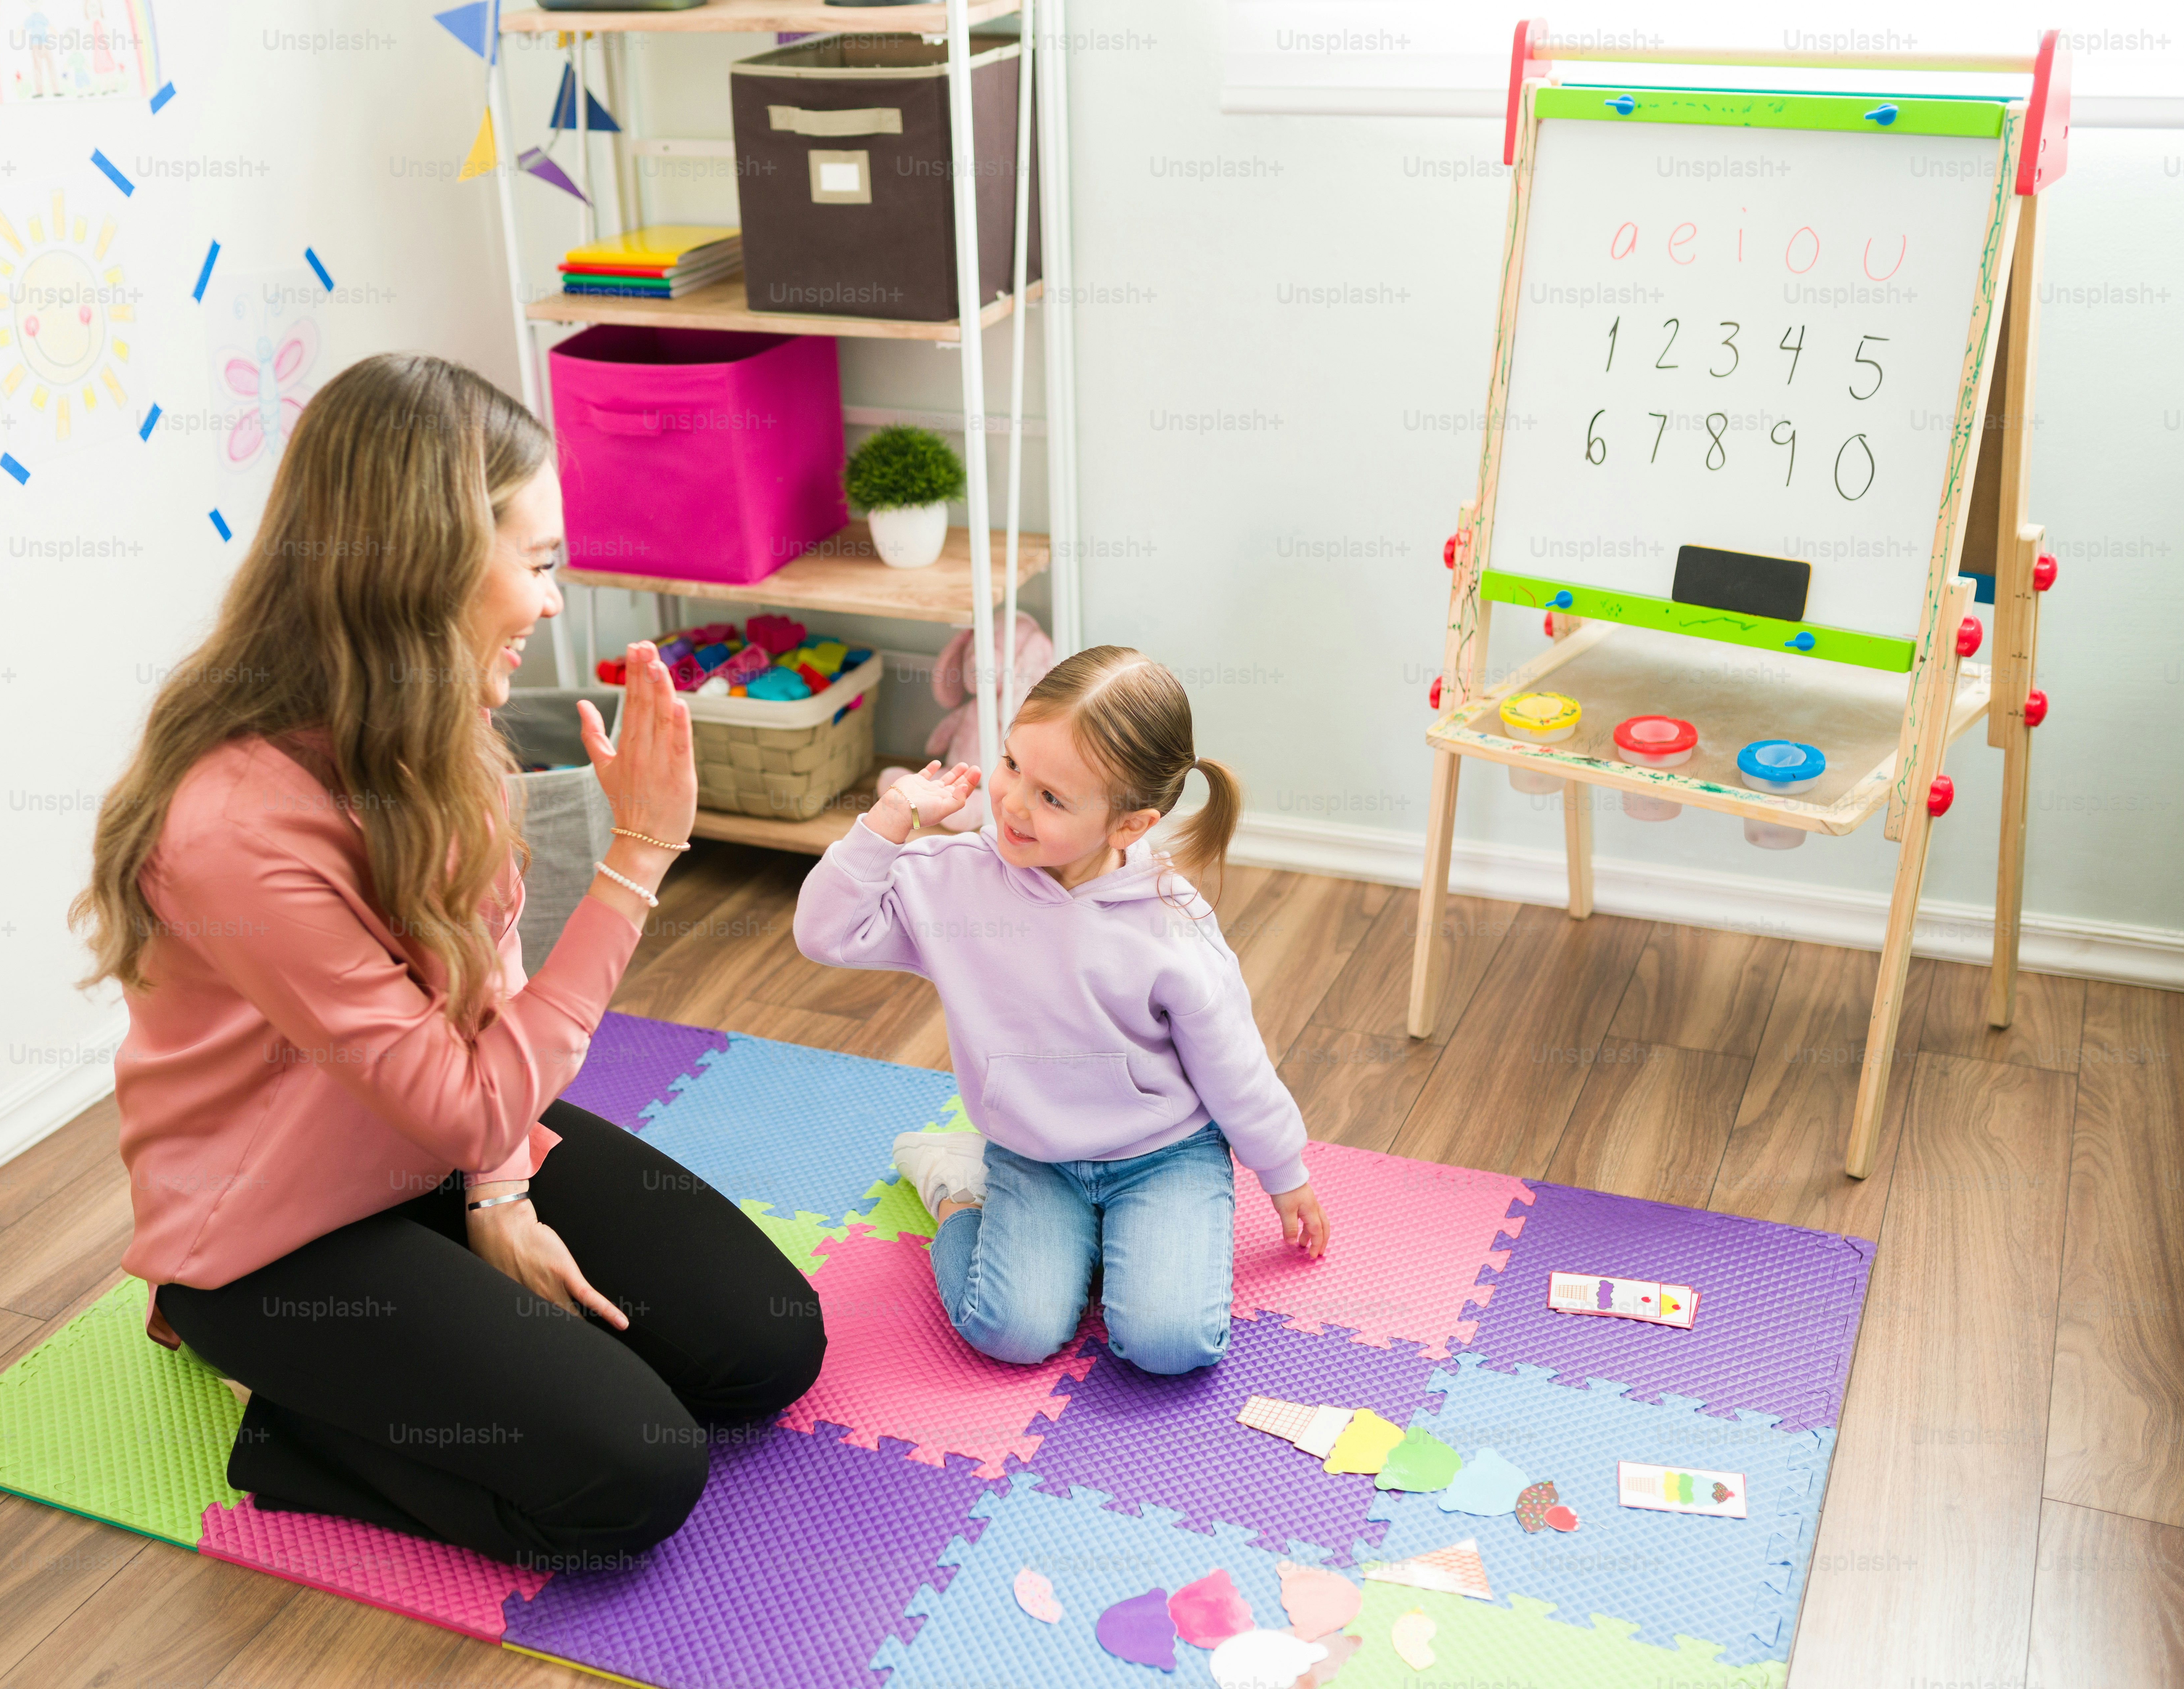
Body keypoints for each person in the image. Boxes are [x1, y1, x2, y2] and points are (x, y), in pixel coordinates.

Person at [70, 351, 822, 1570]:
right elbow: (466, 1089)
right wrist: (636, 858)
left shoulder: (431, 720)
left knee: (767, 1343)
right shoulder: (235, 830)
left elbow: (489, 993)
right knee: (639, 1469)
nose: (549, 604)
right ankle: (291, 1423)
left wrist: (502, 1190)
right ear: (423, 566)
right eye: (536, 564)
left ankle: (456, 1324)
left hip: (430, 1147)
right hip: (273, 1234)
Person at [793, 646, 1330, 1377]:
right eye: (1012, 764)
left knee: (1170, 1344)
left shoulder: (1169, 923)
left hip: (1161, 1154)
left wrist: (1282, 1170)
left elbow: (1233, 1062)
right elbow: (824, 934)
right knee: (1008, 1331)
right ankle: (957, 1188)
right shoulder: (951, 882)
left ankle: (1117, 1238)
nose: (1012, 802)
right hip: (1032, 1153)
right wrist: (888, 822)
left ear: (1128, 826)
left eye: (1052, 798)